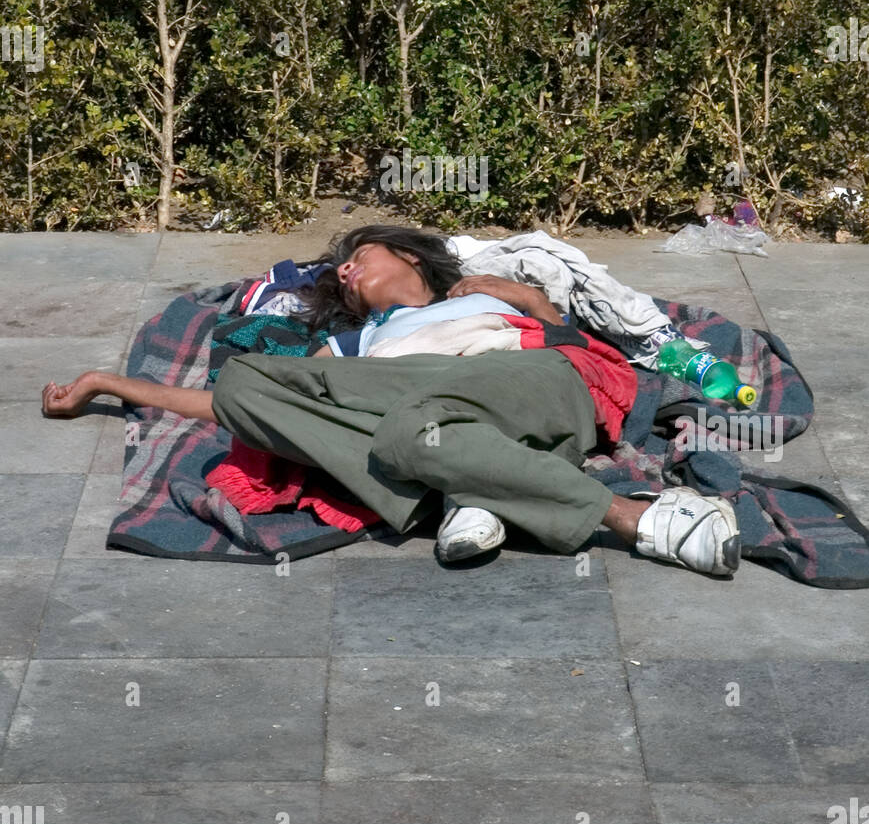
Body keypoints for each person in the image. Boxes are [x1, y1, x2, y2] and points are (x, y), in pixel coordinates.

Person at [42, 225, 740, 575]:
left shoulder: (478, 294)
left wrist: (520, 297)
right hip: (410, 405)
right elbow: (225, 405)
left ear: (410, 257)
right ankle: (466, 489)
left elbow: (573, 342)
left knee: (408, 432)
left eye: (362, 256)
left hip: (523, 379)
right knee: (249, 380)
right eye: (341, 272)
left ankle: (638, 520)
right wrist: (107, 383)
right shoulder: (351, 348)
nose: (347, 270)